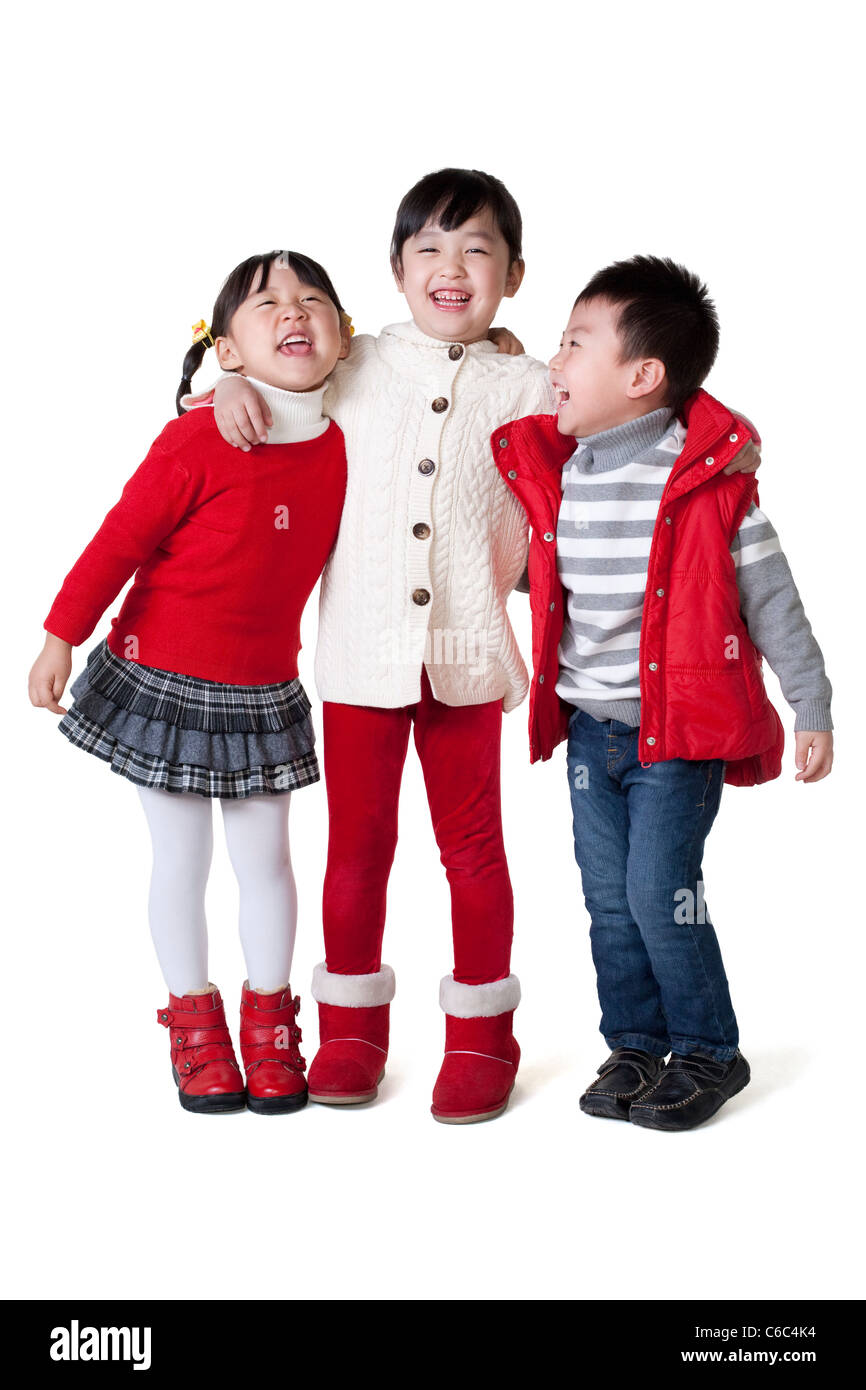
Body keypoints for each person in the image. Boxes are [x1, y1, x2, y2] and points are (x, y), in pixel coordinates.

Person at [183, 173, 762, 1124]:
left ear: (516, 273)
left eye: (478, 250)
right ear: (395, 273)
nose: (452, 269)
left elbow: (645, 399)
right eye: (429, 252)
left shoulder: (536, 383)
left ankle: (482, 1034)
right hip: (362, 656)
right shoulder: (357, 361)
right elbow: (280, 362)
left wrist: (729, 447)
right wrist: (229, 379)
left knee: (474, 852)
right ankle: (352, 1027)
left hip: (464, 656)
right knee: (357, 852)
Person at [492, 254, 832, 1130]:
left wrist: (812, 705)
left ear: (643, 377)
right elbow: (548, 584)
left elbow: (773, 601)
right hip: (589, 732)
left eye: (573, 344)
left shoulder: (713, 484)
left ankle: (712, 1049)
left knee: (659, 893)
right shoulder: (557, 472)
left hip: (676, 738)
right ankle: (636, 1042)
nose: (555, 363)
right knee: (606, 899)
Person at [28, 250, 350, 1115]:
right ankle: (194, 1021)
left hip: (262, 691)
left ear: (344, 338)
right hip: (163, 678)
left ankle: (271, 1024)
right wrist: (62, 634)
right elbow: (120, 539)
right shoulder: (199, 433)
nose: (294, 312)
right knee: (181, 858)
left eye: (313, 300)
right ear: (228, 348)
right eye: (267, 304)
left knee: (268, 862)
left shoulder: (349, 439)